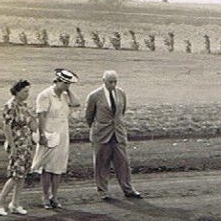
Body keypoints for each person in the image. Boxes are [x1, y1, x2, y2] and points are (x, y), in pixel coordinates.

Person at [84, 70, 141, 200]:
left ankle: (128, 189)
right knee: (101, 163)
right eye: (110, 82)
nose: (113, 84)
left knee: (123, 162)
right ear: (104, 81)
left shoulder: (121, 93)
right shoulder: (94, 96)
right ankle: (103, 191)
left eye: (115, 82)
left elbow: (122, 112)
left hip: (118, 133)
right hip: (101, 135)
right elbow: (89, 116)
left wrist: (117, 125)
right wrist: (98, 128)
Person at [30, 68, 81, 209]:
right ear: (56, 81)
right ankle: (45, 197)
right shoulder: (45, 95)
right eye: (64, 83)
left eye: (69, 84)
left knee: (58, 166)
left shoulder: (65, 95)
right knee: (47, 167)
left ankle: (55, 197)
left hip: (63, 133)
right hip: (50, 133)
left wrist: (68, 91)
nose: (66, 86)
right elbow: (41, 116)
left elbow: (77, 103)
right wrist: (41, 135)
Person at [0, 79, 35, 216]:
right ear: (17, 91)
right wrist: (12, 146)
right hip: (17, 143)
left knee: (22, 175)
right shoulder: (11, 106)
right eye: (25, 91)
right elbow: (7, 127)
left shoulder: (24, 106)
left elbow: (33, 126)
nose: (27, 94)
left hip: (26, 143)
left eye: (28, 91)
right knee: (16, 175)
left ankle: (15, 203)